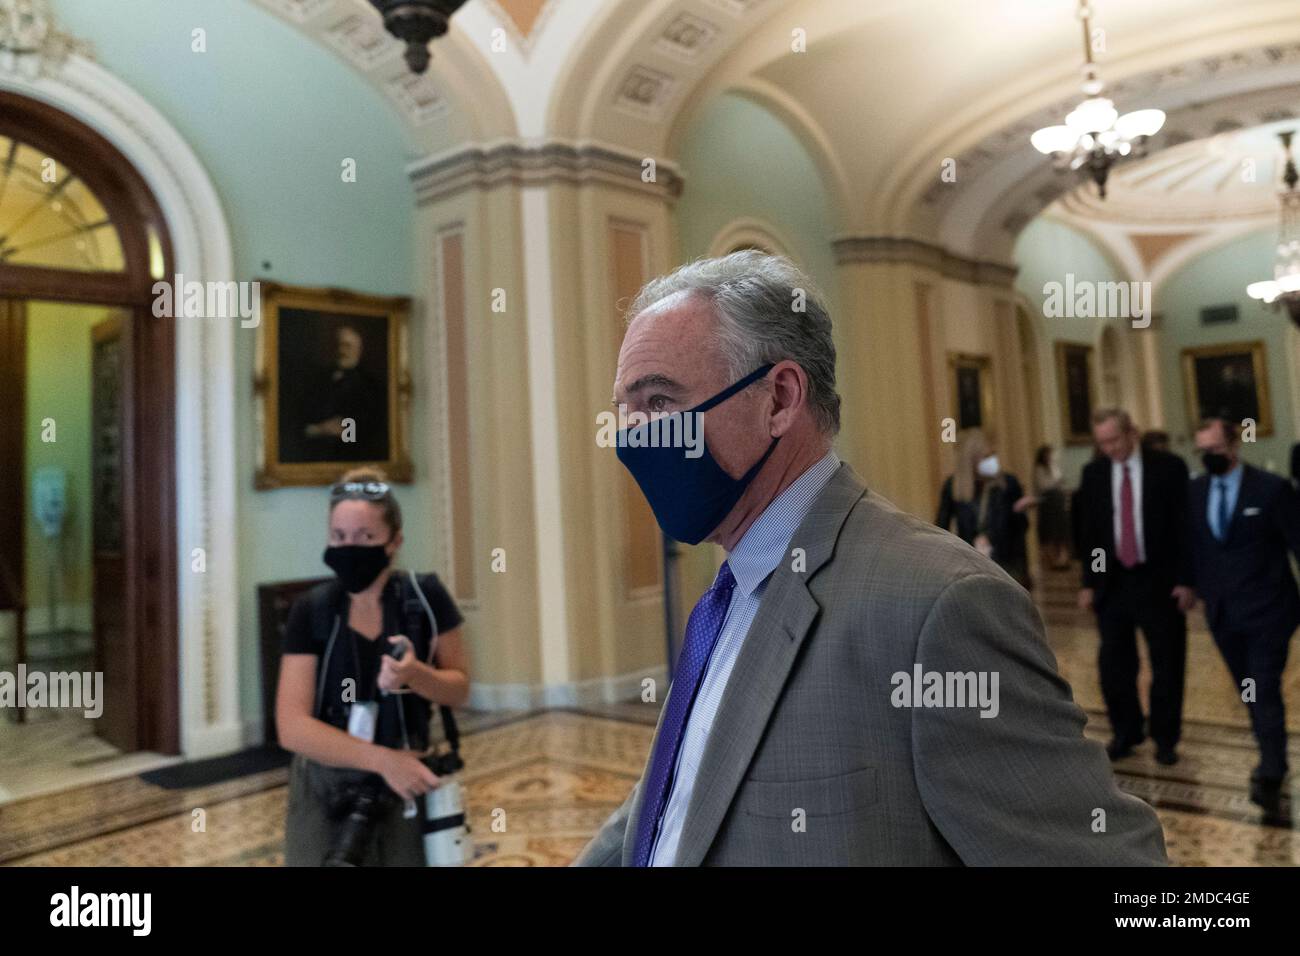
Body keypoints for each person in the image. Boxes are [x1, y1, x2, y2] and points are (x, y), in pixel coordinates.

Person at [575, 251, 1166, 866]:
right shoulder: (729, 593)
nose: (633, 436)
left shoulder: (939, 607)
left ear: (779, 398)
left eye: (659, 403)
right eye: (625, 411)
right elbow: (677, 794)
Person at [276, 467, 469, 865]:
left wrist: (416, 675)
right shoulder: (312, 610)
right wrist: (382, 761)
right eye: (339, 537)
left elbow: (459, 690)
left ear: (395, 541)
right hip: (326, 784)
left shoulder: (425, 598)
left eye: (365, 537)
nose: (350, 548)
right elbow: (291, 725)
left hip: (408, 780)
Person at [1188, 418, 1300, 814]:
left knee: (1263, 686)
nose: (1209, 457)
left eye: (1215, 449)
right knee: (1248, 689)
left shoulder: (1271, 490)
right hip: (1223, 614)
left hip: (1269, 612)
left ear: (1234, 444)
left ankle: (1272, 770)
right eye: (1202, 451)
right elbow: (1194, 545)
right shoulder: (1195, 491)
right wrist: (1187, 585)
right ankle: (1269, 752)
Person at [1075, 408, 1193, 766]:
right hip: (1113, 585)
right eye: (1102, 443)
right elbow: (1090, 533)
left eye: (1114, 440)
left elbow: (1185, 527)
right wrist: (1089, 582)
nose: (1109, 448)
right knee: (1114, 664)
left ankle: (1165, 738)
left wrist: (1187, 580)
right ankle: (1126, 731)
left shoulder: (1169, 468)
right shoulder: (1094, 474)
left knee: (1167, 663)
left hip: (1159, 582)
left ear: (1132, 433)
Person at [935, 429, 1033, 589]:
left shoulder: (1008, 483)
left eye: (993, 455)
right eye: (986, 456)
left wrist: (1019, 511)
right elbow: (941, 529)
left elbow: (1021, 529)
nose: (992, 461)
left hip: (1006, 564)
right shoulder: (952, 487)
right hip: (971, 565)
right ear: (971, 459)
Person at [1033, 444, 1072, 568]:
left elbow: (1061, 481)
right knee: (1050, 533)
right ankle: (1052, 561)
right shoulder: (1039, 469)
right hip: (1048, 505)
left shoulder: (1053, 466)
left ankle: (1063, 559)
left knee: (1062, 532)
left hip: (1058, 503)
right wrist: (1056, 482)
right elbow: (1043, 486)